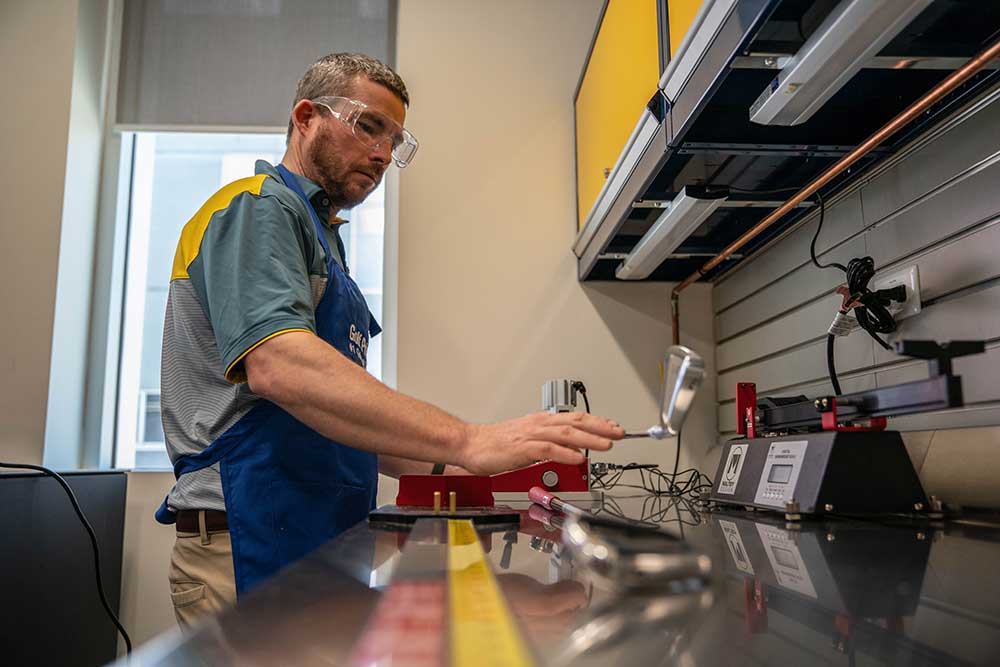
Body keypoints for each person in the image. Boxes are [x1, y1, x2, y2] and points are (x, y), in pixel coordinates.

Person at [155, 53, 623, 628]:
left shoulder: (325, 243)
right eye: (368, 126)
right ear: (306, 117)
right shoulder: (256, 209)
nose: (382, 154)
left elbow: (350, 428)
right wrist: (470, 440)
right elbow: (282, 369)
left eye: (395, 140)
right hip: (248, 544)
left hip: (316, 541)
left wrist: (497, 484)